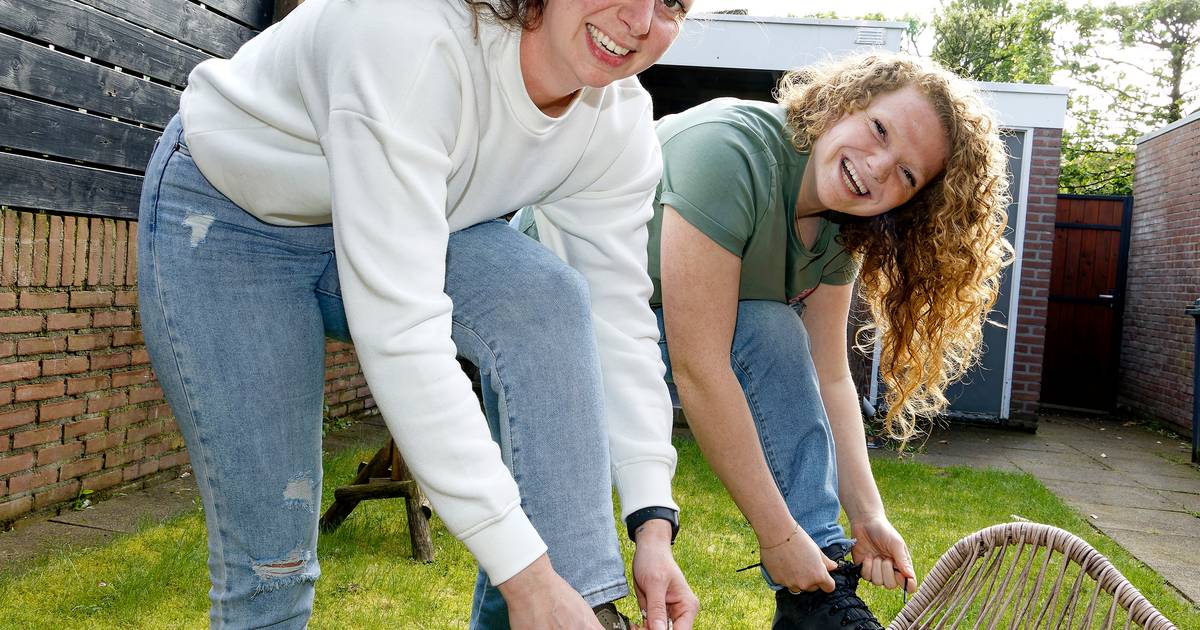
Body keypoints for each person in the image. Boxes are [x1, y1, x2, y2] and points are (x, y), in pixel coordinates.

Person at [136, 0, 701, 628]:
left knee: (547, 299)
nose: (642, 17)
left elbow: (615, 323)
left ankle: (585, 607)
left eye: (673, 1)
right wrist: (525, 574)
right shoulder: (406, 34)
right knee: (271, 567)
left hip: (422, 221)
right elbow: (402, 332)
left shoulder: (617, 123)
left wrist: (653, 520)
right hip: (234, 216)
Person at [524, 52, 1010, 629]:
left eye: (907, 175)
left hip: (642, 326)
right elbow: (700, 367)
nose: (879, 168)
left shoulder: (838, 229)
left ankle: (819, 594)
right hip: (545, 311)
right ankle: (813, 592)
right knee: (537, 545)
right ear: (843, 103)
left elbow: (830, 377)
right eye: (879, 130)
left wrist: (868, 515)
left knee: (770, 326)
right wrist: (777, 537)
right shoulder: (731, 152)